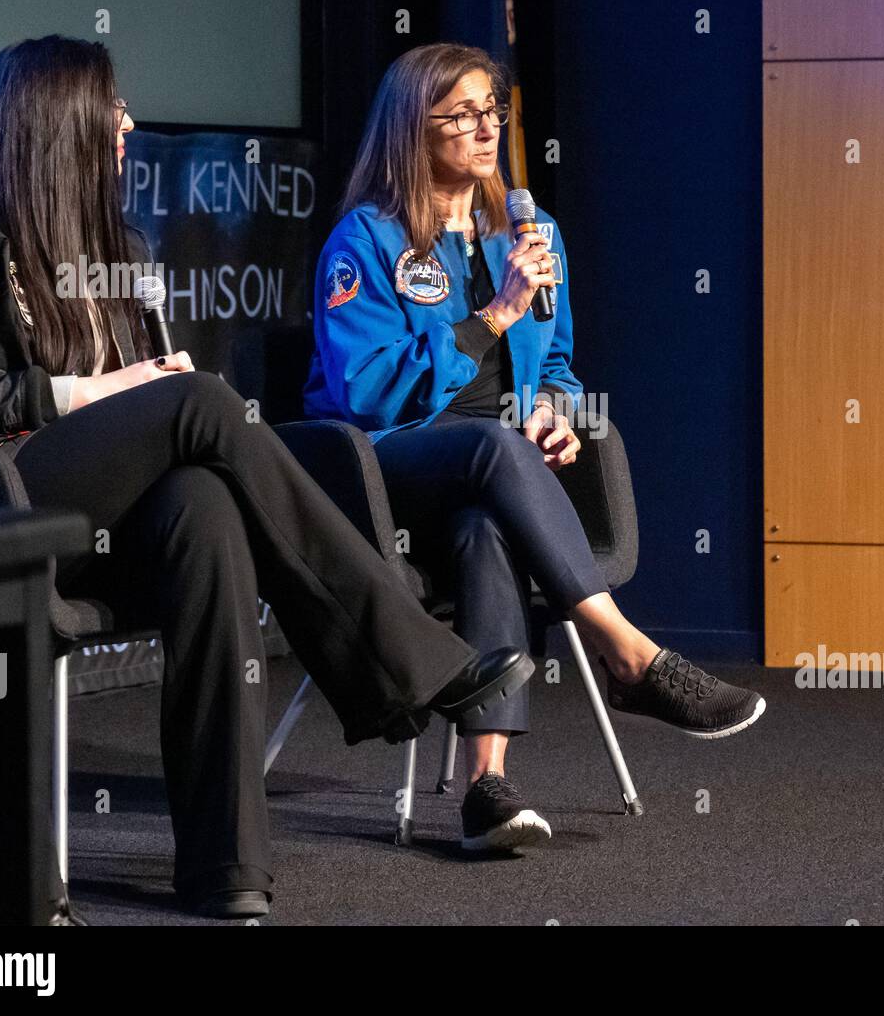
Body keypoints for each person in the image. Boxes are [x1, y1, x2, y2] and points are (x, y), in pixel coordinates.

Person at [0, 36, 533, 922]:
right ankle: (398, 648)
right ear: (58, 124)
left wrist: (132, 388)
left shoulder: (116, 244)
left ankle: (227, 867)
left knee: (203, 507)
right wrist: (95, 389)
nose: (128, 123)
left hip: (88, 519)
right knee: (199, 400)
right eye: (111, 108)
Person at [304, 43, 765, 853]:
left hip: (492, 471)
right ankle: (629, 651)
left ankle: (487, 786)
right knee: (488, 449)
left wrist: (554, 410)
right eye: (465, 115)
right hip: (387, 462)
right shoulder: (366, 240)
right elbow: (367, 392)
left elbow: (554, 364)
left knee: (487, 521)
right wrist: (493, 316)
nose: (488, 129)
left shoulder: (528, 226)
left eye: (495, 110)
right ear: (416, 127)